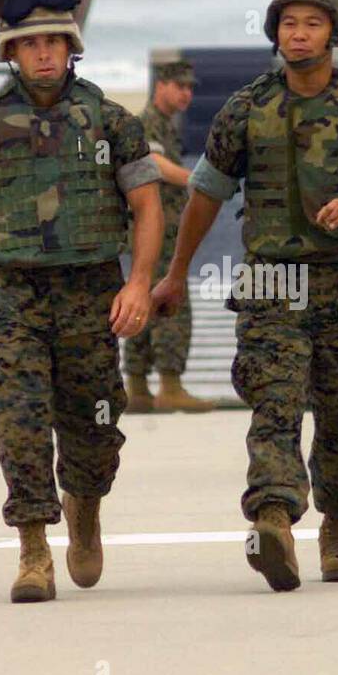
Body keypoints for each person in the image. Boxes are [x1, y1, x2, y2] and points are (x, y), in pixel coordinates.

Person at [152, 0, 338, 591]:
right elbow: (207, 193)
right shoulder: (245, 108)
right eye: (289, 22)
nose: (298, 34)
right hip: (271, 282)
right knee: (275, 399)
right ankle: (273, 519)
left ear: (334, 33)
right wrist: (175, 274)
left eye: (312, 23)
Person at [0, 0, 164, 603]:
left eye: (55, 41)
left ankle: (85, 507)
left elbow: (147, 206)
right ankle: (33, 549)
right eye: (31, 44)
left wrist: (139, 283)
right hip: (14, 299)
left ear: (72, 48)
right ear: (12, 53)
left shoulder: (112, 122)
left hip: (93, 297)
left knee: (94, 430)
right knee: (19, 421)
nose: (45, 54)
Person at [124, 59, 214, 413]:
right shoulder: (147, 124)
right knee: (170, 303)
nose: (186, 94)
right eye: (180, 86)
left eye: (190, 88)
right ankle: (169, 385)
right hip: (155, 232)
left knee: (143, 302)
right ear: (160, 85)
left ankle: (138, 386)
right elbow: (154, 163)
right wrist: (196, 180)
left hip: (160, 230)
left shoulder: (165, 126)